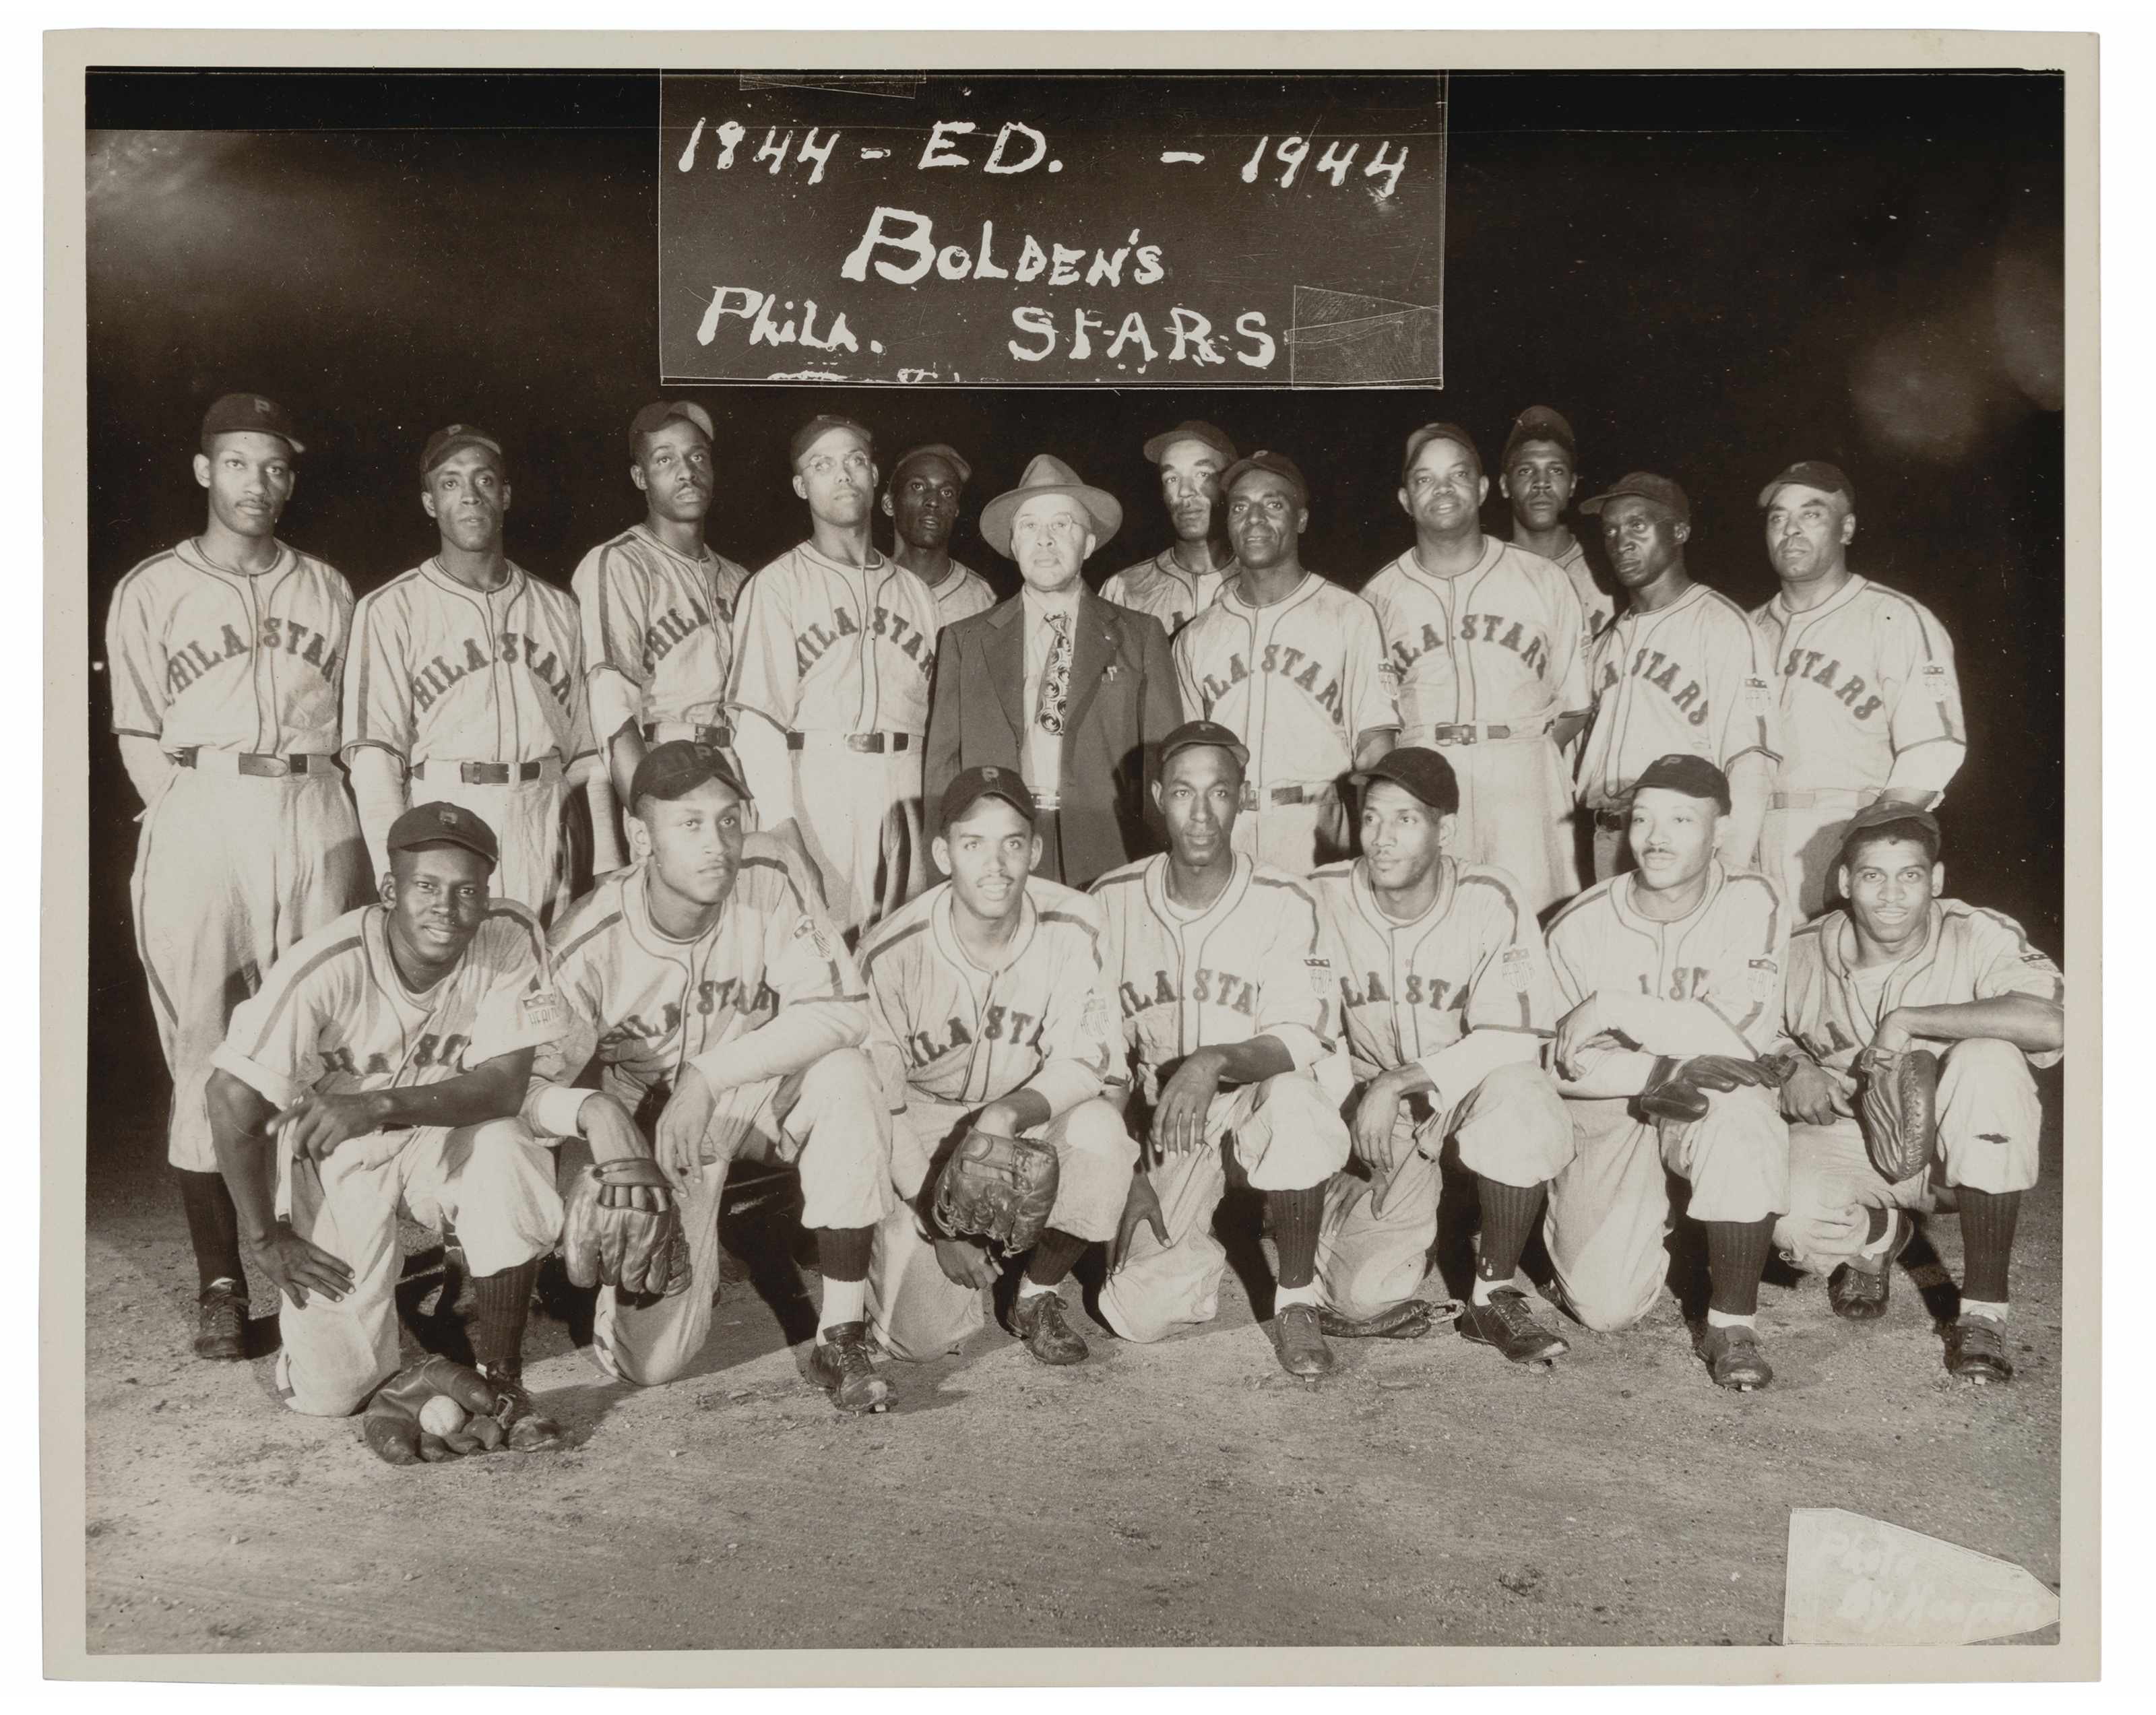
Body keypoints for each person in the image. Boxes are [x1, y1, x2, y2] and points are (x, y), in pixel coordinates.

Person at [105, 391, 369, 1361]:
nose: (260, 483)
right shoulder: (149, 588)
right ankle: (222, 1277)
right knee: (206, 1046)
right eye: (241, 462)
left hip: (312, 799)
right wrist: (182, 819)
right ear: (203, 469)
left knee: (321, 1032)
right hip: (202, 800)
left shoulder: (330, 588)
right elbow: (136, 727)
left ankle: (327, 1251)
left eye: (276, 467)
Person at [530, 742, 897, 1410]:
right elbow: (523, 1087)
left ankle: (840, 1333)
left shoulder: (771, 867)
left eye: (729, 818)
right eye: (690, 823)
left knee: (847, 1075)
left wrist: (707, 1073)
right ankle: (630, 1290)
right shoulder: (589, 935)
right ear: (640, 836)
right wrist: (592, 1124)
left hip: (750, 1089)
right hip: (656, 1125)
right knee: (653, 1364)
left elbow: (844, 1012)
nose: (718, 843)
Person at [201, 802, 568, 1443]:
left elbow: (504, 1087)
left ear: (487, 896)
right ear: (391, 889)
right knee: (333, 1395)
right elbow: (231, 1096)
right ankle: (390, 1353)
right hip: (340, 1154)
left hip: (441, 1130)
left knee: (509, 1150)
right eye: (427, 886)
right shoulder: (329, 963)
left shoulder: (509, 932)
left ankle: (503, 1378)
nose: (448, 908)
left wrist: (379, 1103)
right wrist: (265, 1238)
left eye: (467, 890)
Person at [1091, 721, 1353, 1378]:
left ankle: (1295, 1297)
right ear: (1156, 796)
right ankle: (1219, 1232)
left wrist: (1212, 1061)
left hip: (1250, 1107)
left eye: (1218, 792)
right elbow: (1092, 1053)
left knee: (1295, 1096)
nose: (1200, 813)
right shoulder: (1109, 900)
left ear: (1242, 797)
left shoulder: (1286, 897)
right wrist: (1125, 1174)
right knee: (1135, 1312)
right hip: (1167, 1125)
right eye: (1183, 792)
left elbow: (1299, 1035)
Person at [1771, 804, 2062, 1384]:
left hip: (1955, 1150)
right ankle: (1879, 1234)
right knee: (1788, 1218)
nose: (1893, 895)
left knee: (1989, 1059)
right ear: (1846, 882)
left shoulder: (1976, 931)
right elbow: (1748, 1031)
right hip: (1854, 1134)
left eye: (1910, 875)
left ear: (1937, 880)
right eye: (1874, 876)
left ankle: (1982, 1314)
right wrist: (1791, 1066)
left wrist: (1909, 1019)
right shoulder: (1800, 952)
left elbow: (2053, 1023)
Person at [860, 767, 1136, 1365]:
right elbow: (879, 1108)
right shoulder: (892, 951)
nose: (996, 864)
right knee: (922, 1341)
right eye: (973, 844)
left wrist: (1008, 1114)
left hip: (1024, 1109)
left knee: (1101, 1132)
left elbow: (1087, 1062)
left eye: (1012, 843)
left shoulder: (1075, 920)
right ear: (942, 854)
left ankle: (1036, 1293)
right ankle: (901, 1250)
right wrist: (944, 1231)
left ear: (1034, 851)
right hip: (921, 1127)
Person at [1308, 748, 1575, 1364]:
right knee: (1360, 1299)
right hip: (1375, 1111)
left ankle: (1492, 1293)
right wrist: (1342, 1128)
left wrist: (1399, 1082)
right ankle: (1425, 1218)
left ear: (1445, 829)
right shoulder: (1321, 896)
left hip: (1461, 1095)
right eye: (1372, 817)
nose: (1381, 838)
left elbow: (1518, 1034)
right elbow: (1306, 1026)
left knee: (1523, 1097)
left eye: (1405, 819)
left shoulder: (1491, 895)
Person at [1542, 755, 1793, 1390]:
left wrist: (1613, 1007)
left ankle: (1732, 1322)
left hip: (1713, 1095)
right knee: (1605, 1309)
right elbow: (1561, 1064)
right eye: (1644, 818)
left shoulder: (1754, 899)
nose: (1657, 837)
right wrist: (1660, 1063)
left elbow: (1743, 1037)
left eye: (1682, 819)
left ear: (1723, 832)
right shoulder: (1579, 923)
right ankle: (1665, 1221)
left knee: (1742, 1109)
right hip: (1615, 1103)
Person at [344, 423, 608, 925]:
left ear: (504, 496)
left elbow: (586, 756)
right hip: (448, 814)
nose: (469, 496)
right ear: (429, 503)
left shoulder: (559, 609)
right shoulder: (389, 608)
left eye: (484, 480)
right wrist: (393, 870)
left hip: (545, 818)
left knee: (548, 981)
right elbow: (375, 761)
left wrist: (607, 862)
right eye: (450, 482)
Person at [1361, 422, 1591, 915]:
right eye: (1425, 479)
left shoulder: (1544, 580)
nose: (1443, 489)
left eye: (1458, 475)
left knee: (1538, 924)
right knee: (1437, 926)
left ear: (1483, 488)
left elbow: (1575, 706)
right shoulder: (1376, 597)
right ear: (1405, 499)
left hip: (1523, 778)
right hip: (1425, 780)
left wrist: (1519, 753)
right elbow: (1373, 722)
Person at [725, 415, 940, 938]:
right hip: (820, 783)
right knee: (824, 953)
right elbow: (756, 725)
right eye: (822, 465)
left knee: (909, 952)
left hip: (908, 784)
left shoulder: (916, 593)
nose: (842, 475)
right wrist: (785, 834)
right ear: (802, 486)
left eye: (855, 461)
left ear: (873, 477)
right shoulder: (776, 585)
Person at [925, 453, 1183, 888]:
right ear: (1013, 545)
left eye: (1062, 525)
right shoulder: (965, 642)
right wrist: (945, 877)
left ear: (1088, 543)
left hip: (1109, 849)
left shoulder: (1141, 637)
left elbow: (1164, 768)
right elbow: (941, 773)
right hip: (998, 855)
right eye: (1029, 526)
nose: (1044, 541)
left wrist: (1159, 869)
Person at [1748, 461, 1967, 917]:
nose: (1790, 530)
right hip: (1748, 838)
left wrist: (1867, 846)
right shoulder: (1745, 630)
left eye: (1811, 515)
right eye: (1777, 518)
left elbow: (1936, 748)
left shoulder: (1894, 617)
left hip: (1839, 827)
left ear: (1846, 528)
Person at [1172, 453, 1398, 874]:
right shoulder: (1196, 637)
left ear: (1301, 519)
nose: (1253, 518)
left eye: (1273, 504)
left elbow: (1375, 751)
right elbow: (1187, 762)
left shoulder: (1349, 615)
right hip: (1227, 835)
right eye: (1240, 506)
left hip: (1317, 835)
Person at [1575, 472, 1781, 883]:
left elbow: (1751, 762)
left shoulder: (1721, 625)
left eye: (1638, 526)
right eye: (1611, 530)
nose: (1621, 541)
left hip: (1681, 838)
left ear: (1680, 531)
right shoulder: (1606, 642)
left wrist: (1729, 870)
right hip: (1609, 836)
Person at [571, 399, 752, 814]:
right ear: (641, 477)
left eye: (697, 456)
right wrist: (646, 807)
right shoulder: (619, 562)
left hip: (737, 774)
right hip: (665, 766)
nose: (686, 472)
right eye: (665, 459)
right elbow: (610, 707)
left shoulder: (741, 579)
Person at [1100, 420, 1241, 635]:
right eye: (1172, 478)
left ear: (1231, 485)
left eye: (1202, 474)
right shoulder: (1123, 589)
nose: (1184, 491)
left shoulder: (1265, 584)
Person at [1498, 406, 1612, 639]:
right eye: (1525, 471)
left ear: (1572, 485)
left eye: (1556, 470)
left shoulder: (1609, 568)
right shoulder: (1486, 572)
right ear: (1504, 485)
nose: (1542, 482)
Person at [881, 443, 996, 624]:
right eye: (918, 486)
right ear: (889, 504)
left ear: (956, 511)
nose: (933, 501)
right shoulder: (867, 586)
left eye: (946, 492)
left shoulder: (981, 597)